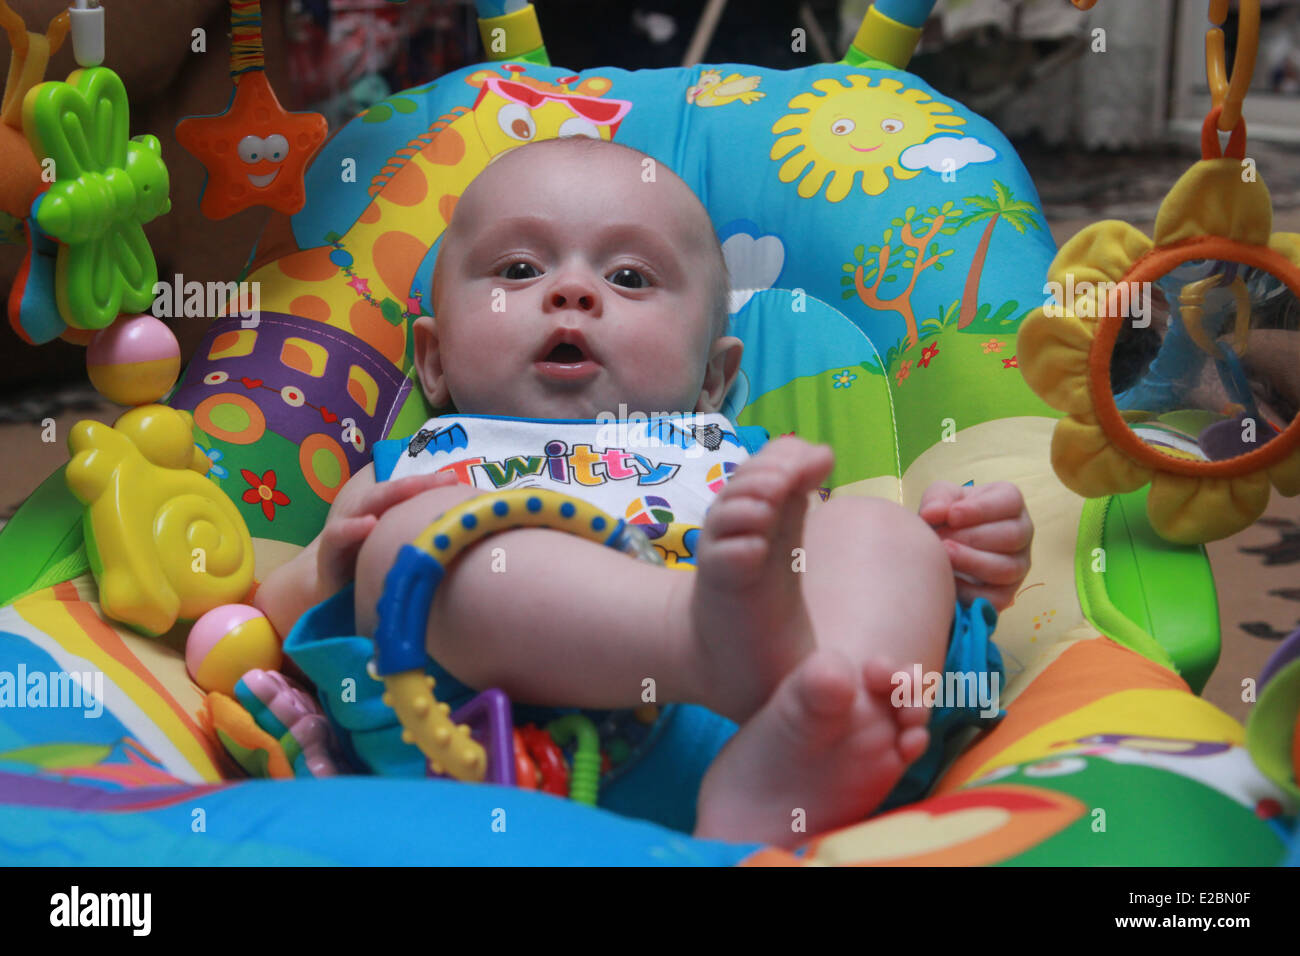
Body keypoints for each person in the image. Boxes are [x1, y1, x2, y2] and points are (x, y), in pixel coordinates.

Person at [255, 135, 1033, 847]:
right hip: (504, 746)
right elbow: (282, 610)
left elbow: (842, 575)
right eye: (520, 270)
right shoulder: (423, 464)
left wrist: (952, 563)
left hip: (762, 724)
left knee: (871, 528)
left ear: (713, 380)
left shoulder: (738, 460)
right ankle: (696, 642)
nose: (571, 292)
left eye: (629, 277)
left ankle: (825, 725)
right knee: (408, 545)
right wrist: (331, 564)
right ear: (434, 360)